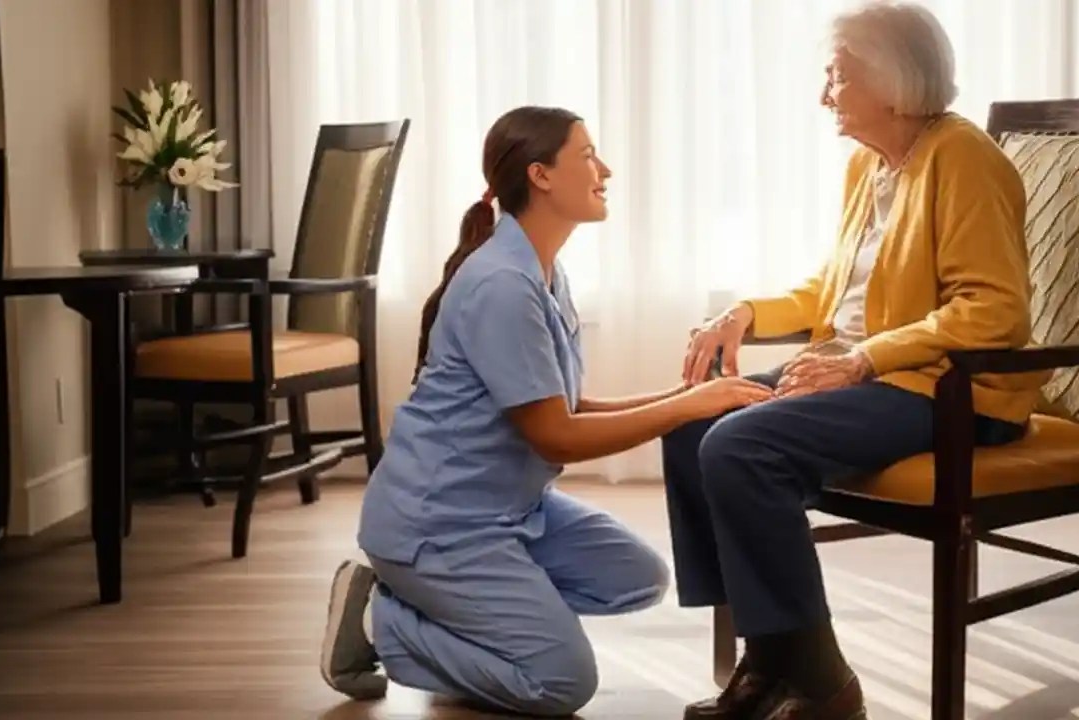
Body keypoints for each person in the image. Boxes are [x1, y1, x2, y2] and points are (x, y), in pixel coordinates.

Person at [318, 106, 774, 716]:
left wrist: (683, 399)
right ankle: (380, 622)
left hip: (510, 510)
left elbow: (565, 404)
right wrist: (687, 406)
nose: (604, 170)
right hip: (438, 523)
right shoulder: (501, 284)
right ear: (540, 175)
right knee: (560, 682)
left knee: (636, 577)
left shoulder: (545, 271)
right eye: (587, 155)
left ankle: (463, 609)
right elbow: (556, 436)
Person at [665, 3, 1048, 719]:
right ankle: (769, 656)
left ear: (894, 82)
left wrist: (867, 359)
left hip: (946, 390)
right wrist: (744, 312)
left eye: (837, 77)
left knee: (741, 444)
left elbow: (995, 309)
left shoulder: (964, 158)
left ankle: (820, 680)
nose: (824, 95)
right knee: (692, 422)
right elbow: (834, 292)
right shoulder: (868, 166)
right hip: (867, 376)